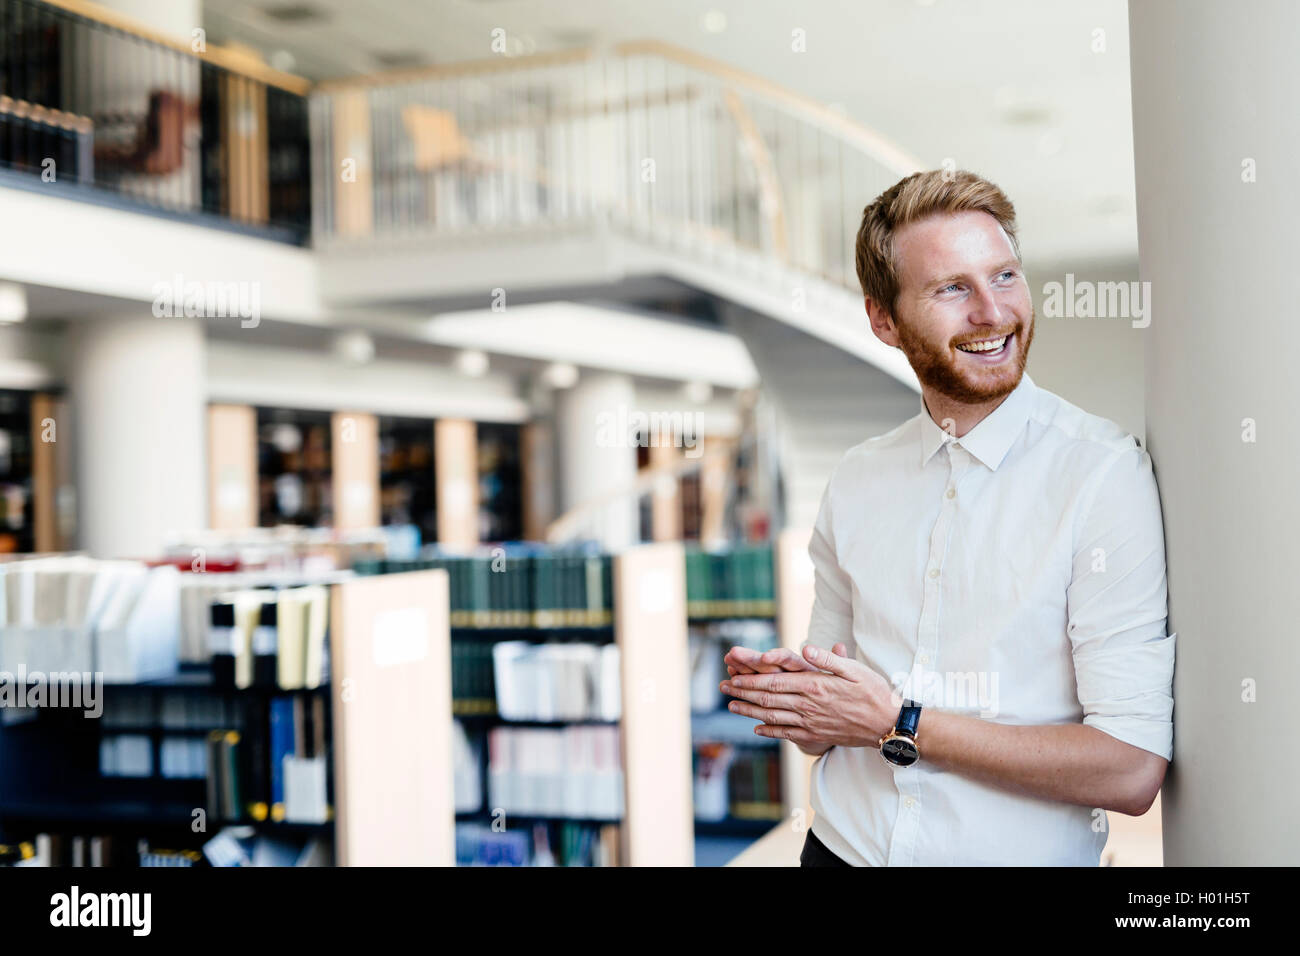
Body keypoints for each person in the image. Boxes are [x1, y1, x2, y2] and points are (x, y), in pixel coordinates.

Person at [722, 169, 1174, 866]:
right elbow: (828, 731)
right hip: (841, 850)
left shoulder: (1102, 475)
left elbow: (1130, 767)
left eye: (1005, 277)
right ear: (883, 320)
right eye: (953, 288)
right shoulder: (857, 480)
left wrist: (901, 723)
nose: (994, 314)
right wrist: (801, 698)